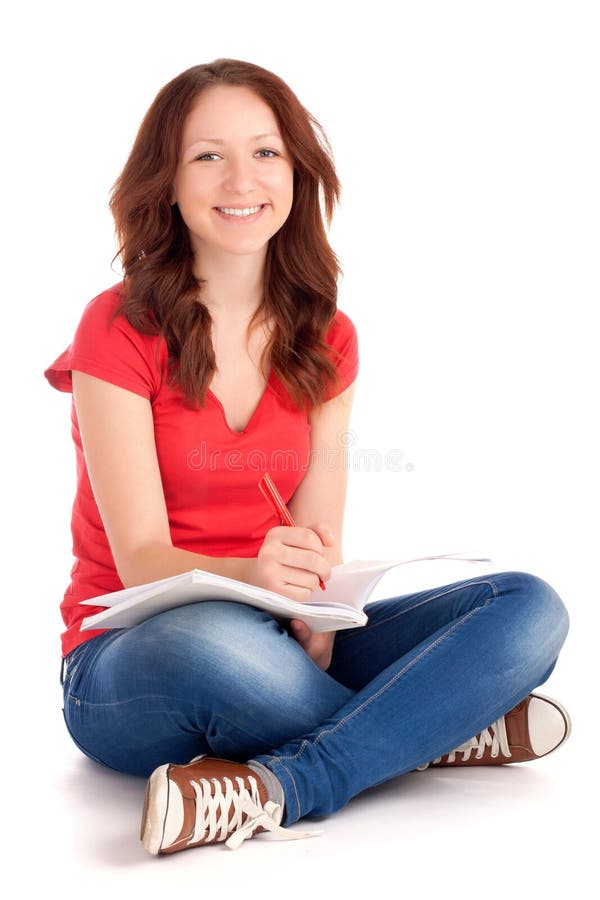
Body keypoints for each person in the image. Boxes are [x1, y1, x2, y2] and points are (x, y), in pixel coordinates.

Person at [44, 58, 571, 856]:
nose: (240, 178)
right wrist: (257, 578)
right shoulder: (115, 327)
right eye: (207, 155)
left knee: (530, 608)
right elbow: (142, 560)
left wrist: (313, 608)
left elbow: (320, 548)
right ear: (171, 182)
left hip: (280, 642)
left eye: (265, 152)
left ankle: (283, 783)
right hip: (133, 659)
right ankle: (436, 727)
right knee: (211, 644)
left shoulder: (328, 336)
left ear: (296, 171)